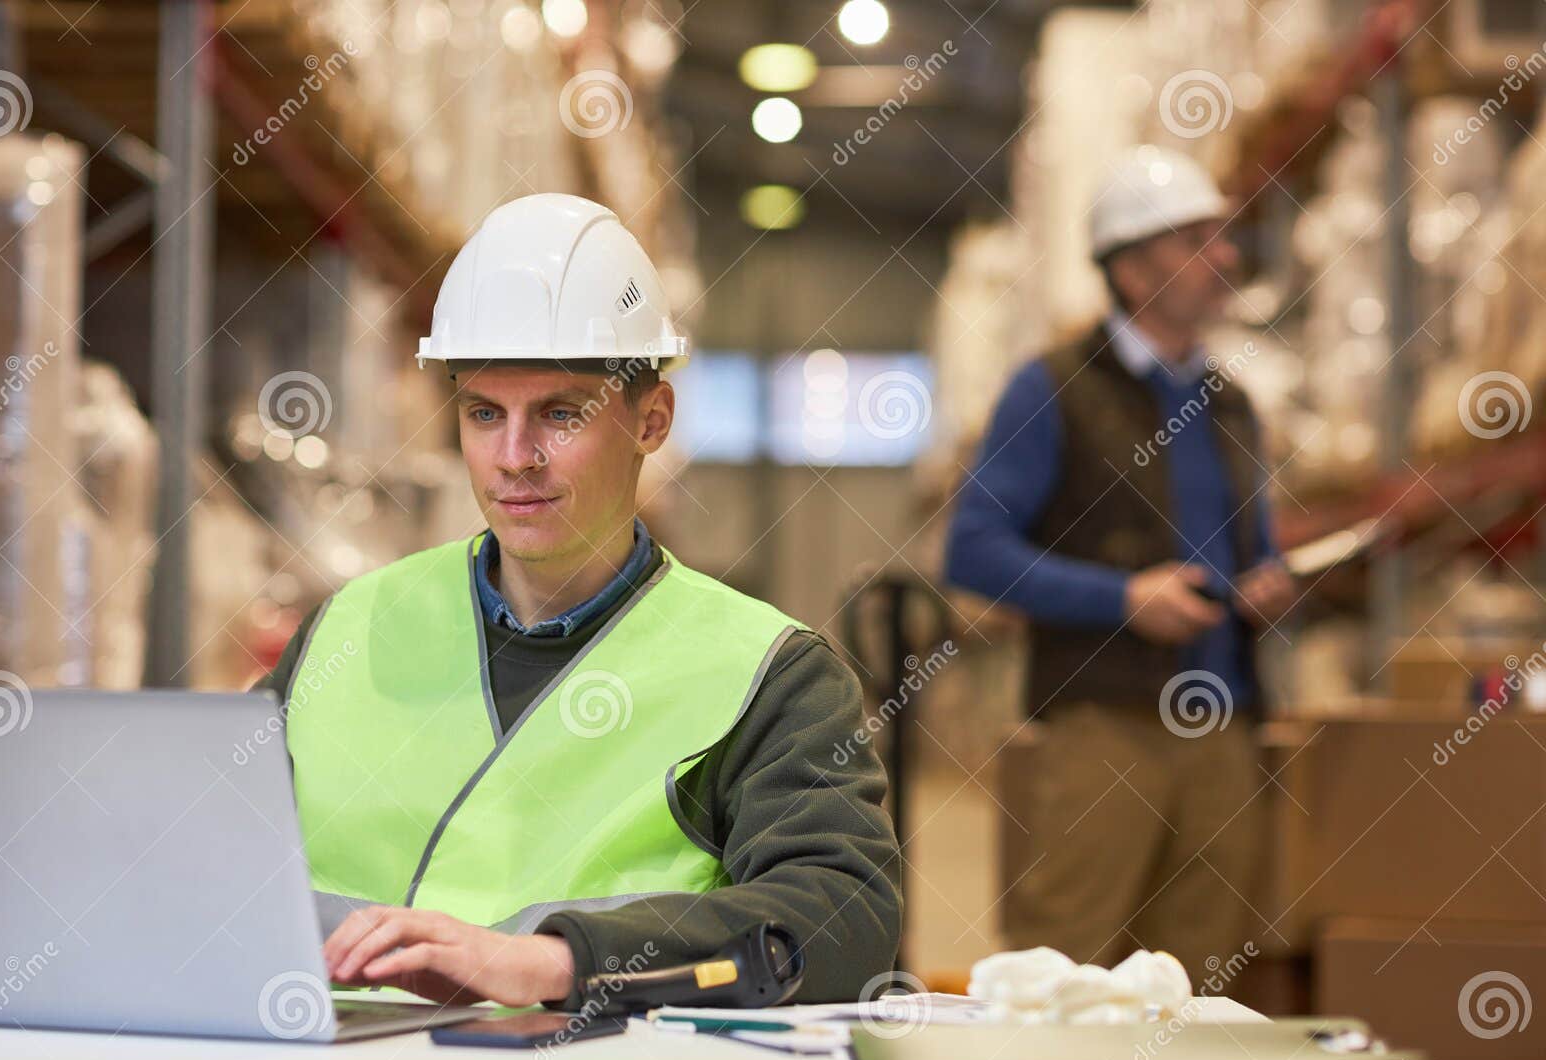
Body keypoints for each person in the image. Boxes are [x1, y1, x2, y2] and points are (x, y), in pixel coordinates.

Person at [259, 194, 901, 1010]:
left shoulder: (768, 673)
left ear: (652, 420)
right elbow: (203, 851)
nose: (514, 457)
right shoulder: (346, 627)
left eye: (560, 414)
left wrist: (561, 964)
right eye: (484, 413)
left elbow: (844, 919)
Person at [944, 146, 1294, 985]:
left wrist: (1271, 576)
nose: (1227, 257)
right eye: (1198, 240)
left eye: (1224, 236)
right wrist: (1122, 598)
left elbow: (1252, 535)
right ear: (1134, 270)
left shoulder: (1232, 400)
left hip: (1224, 726)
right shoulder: (1055, 390)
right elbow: (974, 549)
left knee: (1199, 982)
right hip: (1106, 728)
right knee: (1063, 968)